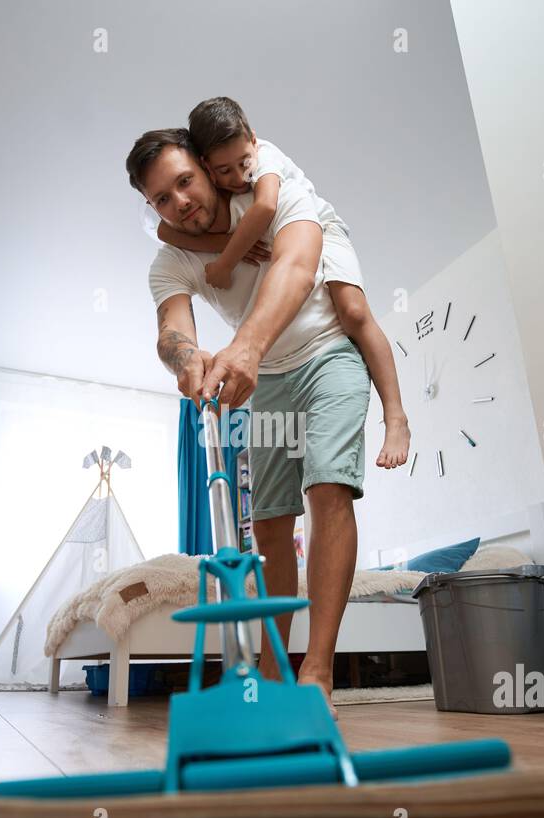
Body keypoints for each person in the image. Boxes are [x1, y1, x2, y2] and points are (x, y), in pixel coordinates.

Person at [127, 127, 371, 716]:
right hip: (270, 381)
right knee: (268, 521)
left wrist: (246, 346)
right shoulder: (169, 263)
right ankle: (269, 670)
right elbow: (171, 332)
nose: (179, 202)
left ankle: (317, 670)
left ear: (208, 169)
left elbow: (296, 263)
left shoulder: (271, 181)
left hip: (328, 352)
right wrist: (190, 360)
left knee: (327, 488)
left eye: (185, 181)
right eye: (162, 198)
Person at [151, 96, 409, 470]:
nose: (240, 177)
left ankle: (397, 416)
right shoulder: (213, 192)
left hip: (324, 227)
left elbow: (266, 208)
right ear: (208, 165)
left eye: (244, 164)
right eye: (224, 171)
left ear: (253, 141)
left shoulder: (265, 161)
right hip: (275, 373)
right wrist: (225, 244)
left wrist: (225, 263)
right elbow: (163, 230)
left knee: (353, 310)